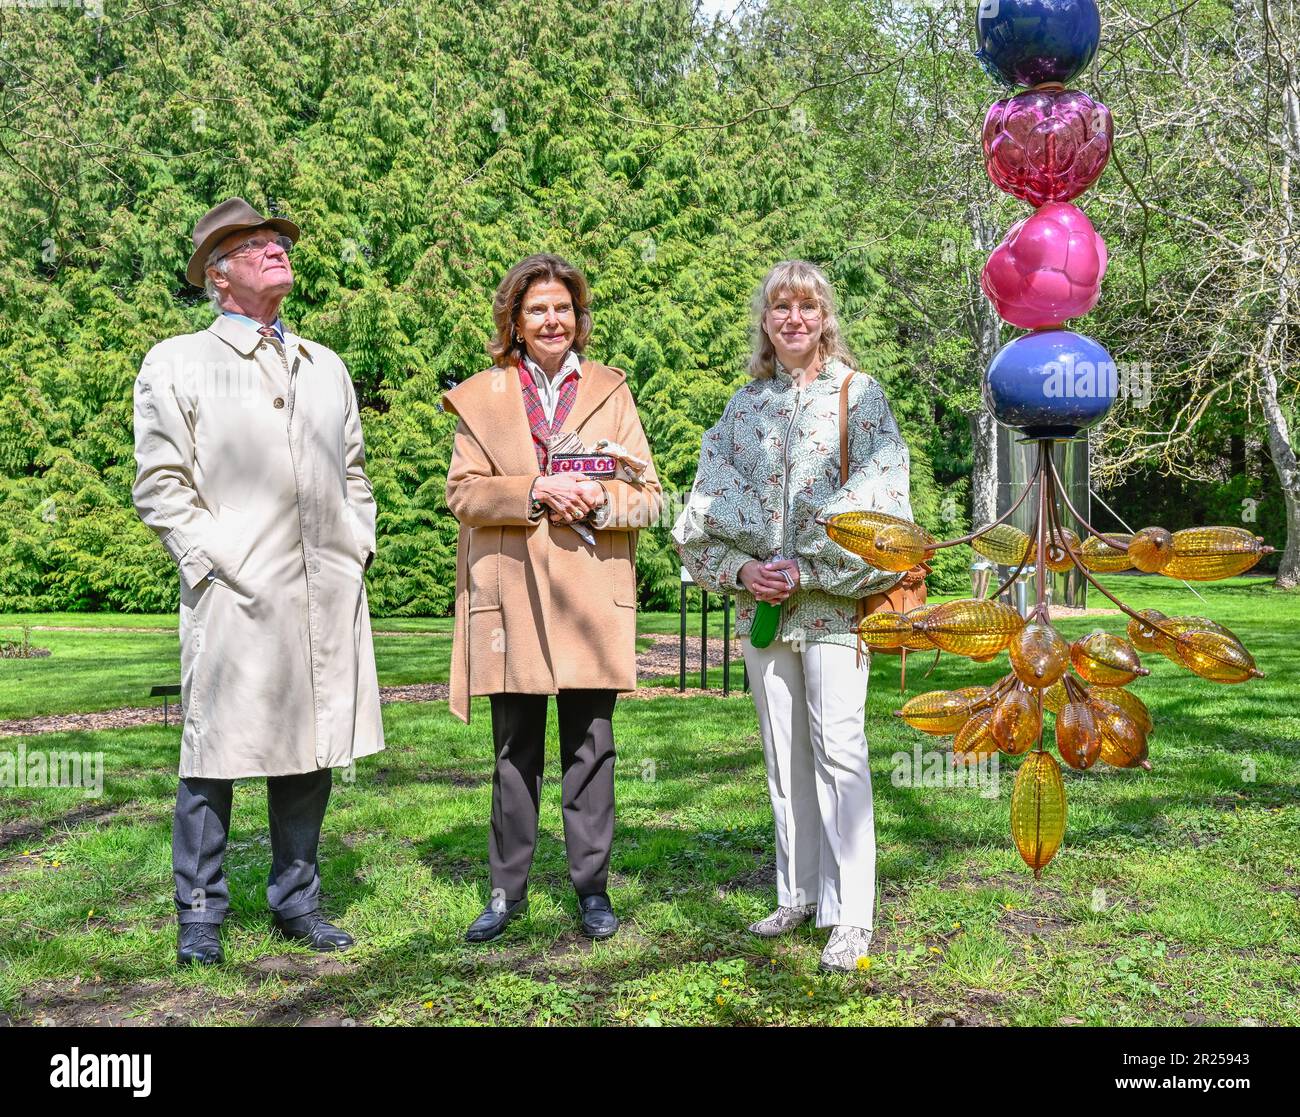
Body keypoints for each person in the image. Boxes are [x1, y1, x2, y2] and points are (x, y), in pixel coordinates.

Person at [132, 197, 384, 965]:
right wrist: (212, 567)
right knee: (214, 753)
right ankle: (200, 916)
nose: (277, 248)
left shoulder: (327, 365)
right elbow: (161, 485)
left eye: (278, 239)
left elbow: (355, 472)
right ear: (219, 274)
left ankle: (297, 902)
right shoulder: (177, 361)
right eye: (255, 243)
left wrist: (357, 545)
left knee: (310, 748)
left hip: (325, 589)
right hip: (234, 595)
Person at [673, 259, 921, 972]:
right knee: (784, 753)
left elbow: (883, 504)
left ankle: (851, 914)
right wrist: (746, 570)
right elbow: (704, 509)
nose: (792, 319)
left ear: (824, 318)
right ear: (764, 320)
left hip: (835, 607)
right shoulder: (742, 408)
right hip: (765, 612)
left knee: (840, 751)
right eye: (780, 307)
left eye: (806, 307)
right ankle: (798, 891)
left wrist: (810, 567)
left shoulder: (860, 397)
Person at [442, 253, 661, 943]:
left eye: (562, 308)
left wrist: (599, 499)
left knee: (591, 746)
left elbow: (650, 498)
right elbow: (462, 493)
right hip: (511, 598)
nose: (551, 319)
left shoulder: (611, 391)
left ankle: (592, 889)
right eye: (537, 308)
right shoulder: (484, 394)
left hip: (590, 595)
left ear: (578, 317)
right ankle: (506, 891)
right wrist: (535, 490)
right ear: (515, 319)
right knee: (514, 749)